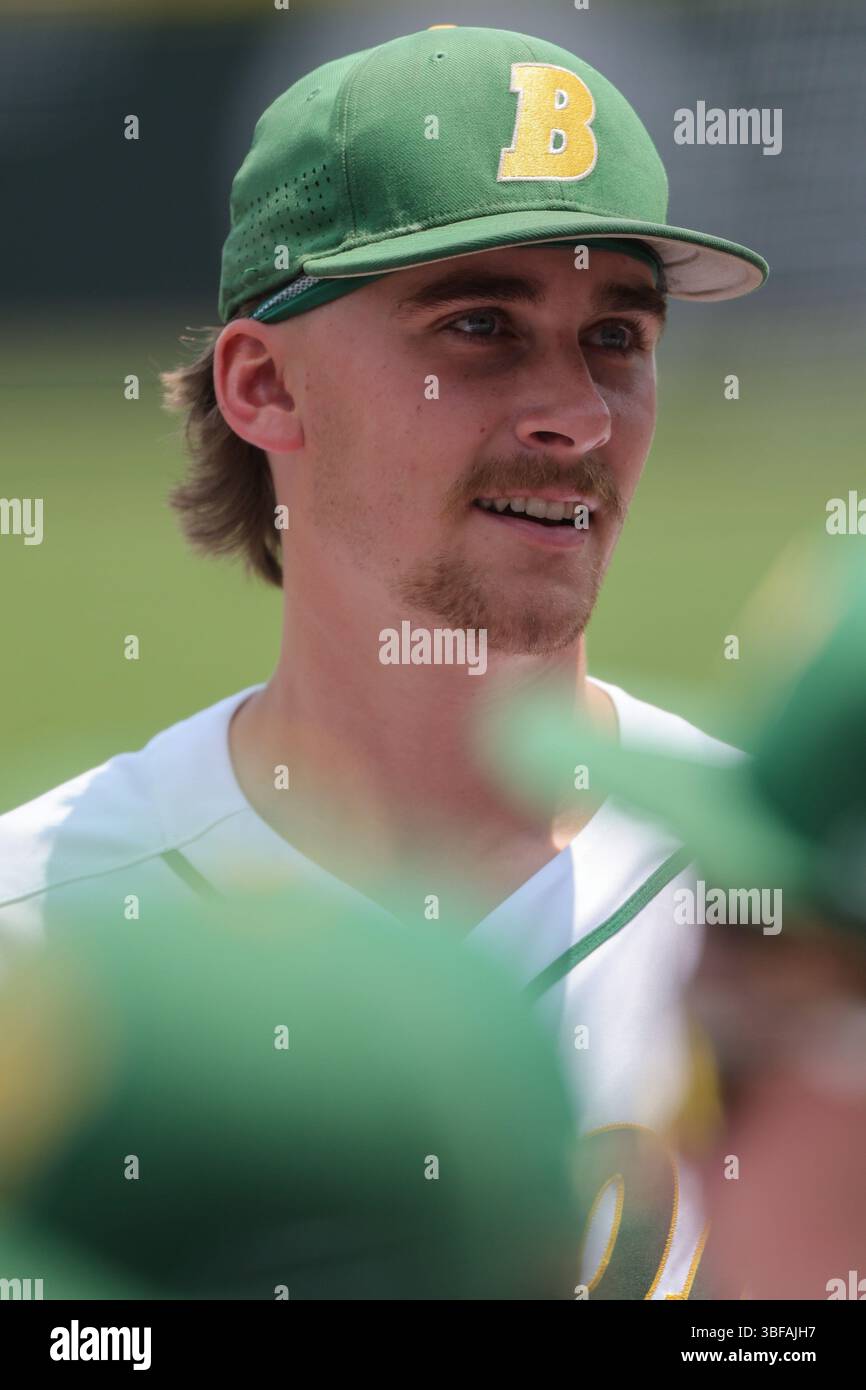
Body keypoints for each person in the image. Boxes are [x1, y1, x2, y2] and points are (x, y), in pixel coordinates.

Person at [0, 25, 768, 1299]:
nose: (574, 415)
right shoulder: (41, 943)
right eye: (478, 326)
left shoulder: (795, 920)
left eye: (616, 339)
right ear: (265, 388)